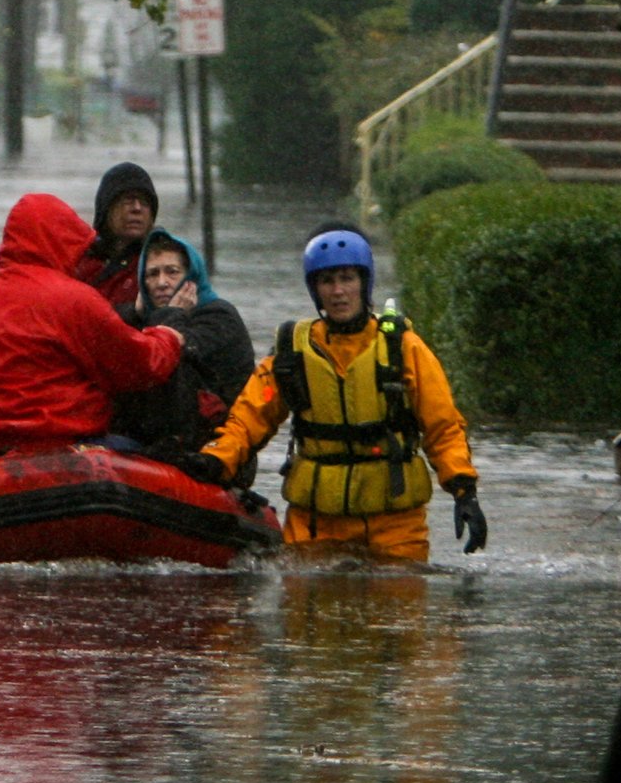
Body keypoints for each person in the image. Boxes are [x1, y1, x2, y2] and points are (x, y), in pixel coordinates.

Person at [184, 224, 487, 562]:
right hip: (315, 521)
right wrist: (216, 459)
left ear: (364, 282)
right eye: (327, 281)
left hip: (393, 524)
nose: (338, 291)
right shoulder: (292, 353)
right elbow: (250, 417)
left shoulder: (403, 348)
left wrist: (464, 491)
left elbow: (443, 426)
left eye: (347, 279)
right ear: (315, 289)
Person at [0, 193, 184, 455]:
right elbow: (137, 366)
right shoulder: (77, 302)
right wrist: (167, 336)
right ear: (65, 244)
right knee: (144, 452)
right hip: (55, 450)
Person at [110, 229, 255, 456]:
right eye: (152, 274)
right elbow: (106, 339)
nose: (162, 283)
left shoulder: (219, 316)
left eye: (172, 272)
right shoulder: (143, 318)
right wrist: (133, 313)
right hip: (147, 442)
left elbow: (175, 352)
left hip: (210, 444)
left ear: (191, 278)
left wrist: (170, 313)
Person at [75, 162, 159, 304]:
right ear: (106, 210)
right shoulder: (81, 263)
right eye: (128, 201)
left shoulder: (161, 265)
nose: (137, 208)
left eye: (144, 202)